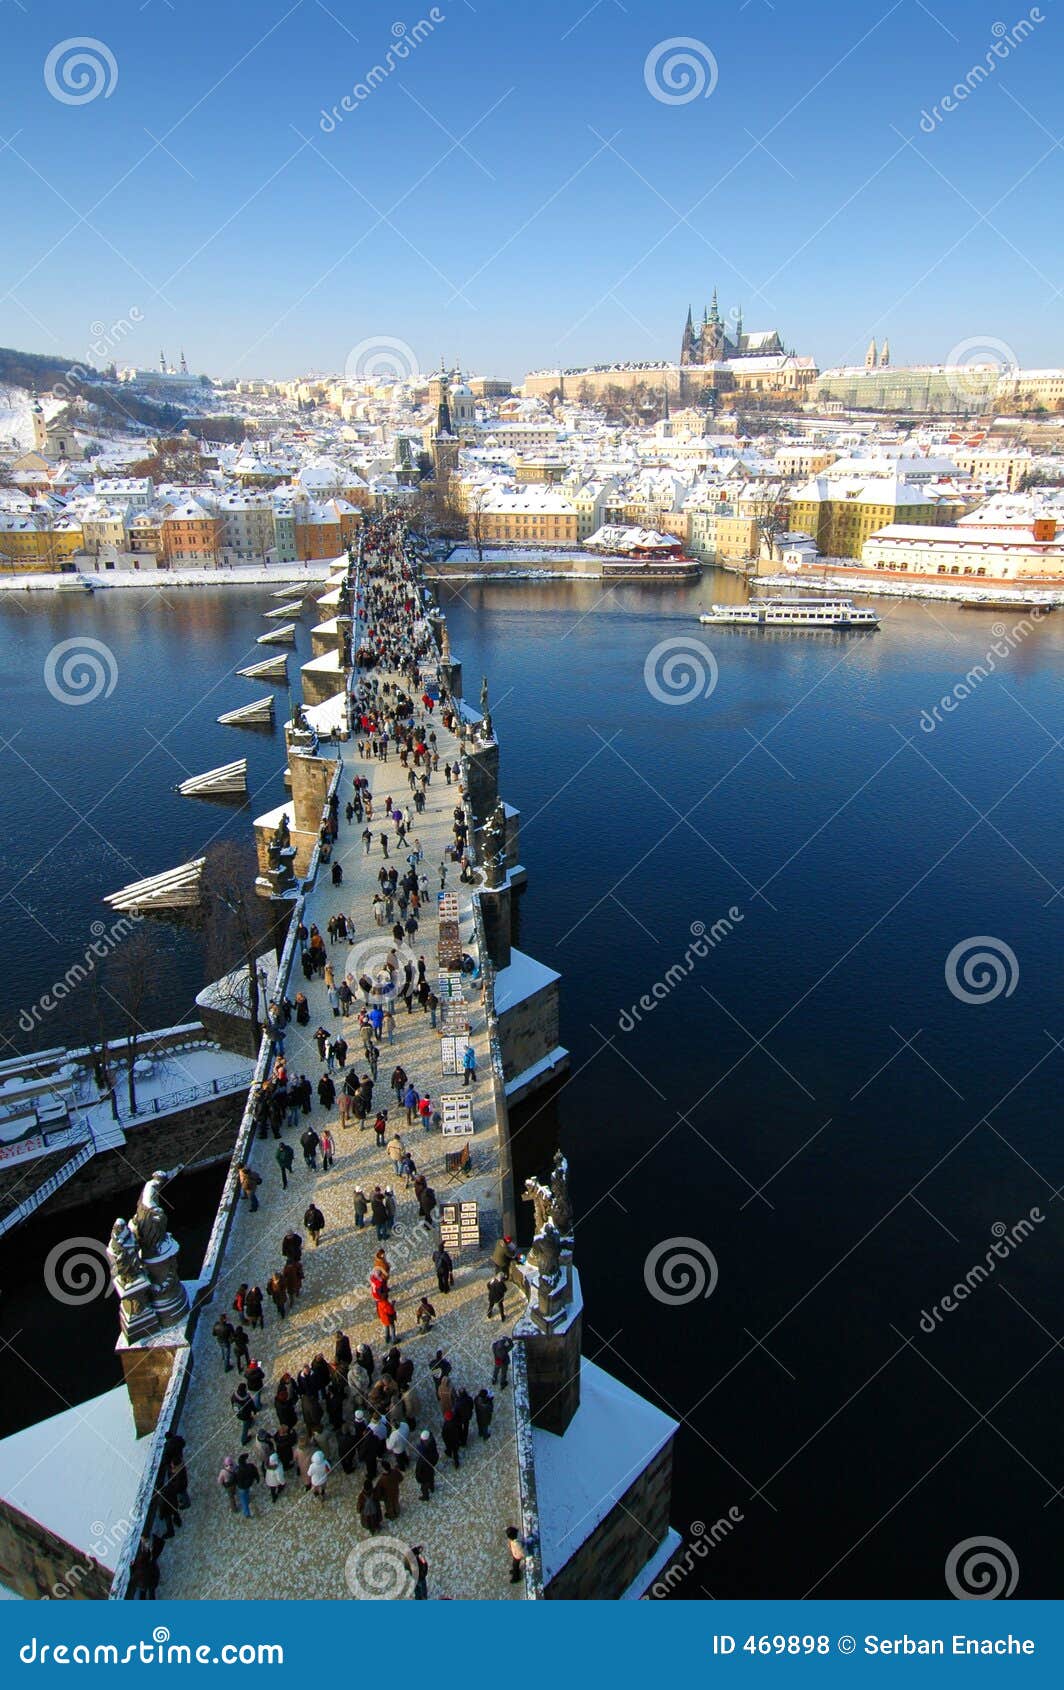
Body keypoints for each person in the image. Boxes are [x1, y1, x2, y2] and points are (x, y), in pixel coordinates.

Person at [233, 1453, 259, 1518]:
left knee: (243, 1500)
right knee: (246, 1493)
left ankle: (247, 1514)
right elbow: (255, 1472)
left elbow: (234, 1479)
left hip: (241, 1487)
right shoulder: (250, 1466)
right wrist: (257, 1478)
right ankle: (248, 1499)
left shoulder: (238, 1471)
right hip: (248, 1484)